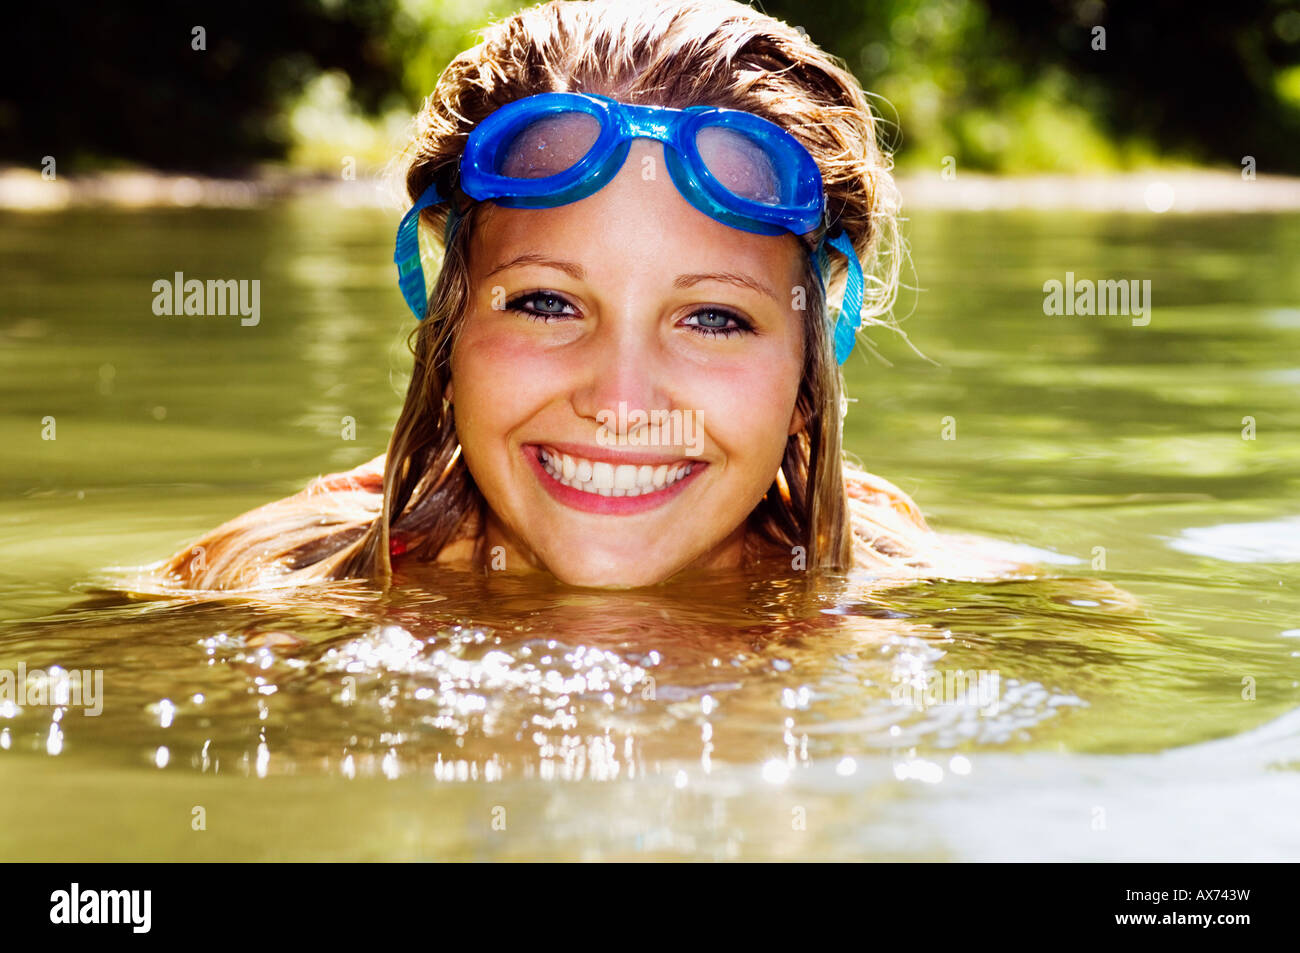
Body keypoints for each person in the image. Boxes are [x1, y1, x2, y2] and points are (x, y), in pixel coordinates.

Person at [148, 0, 1023, 593]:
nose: (619, 403)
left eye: (714, 318)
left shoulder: (909, 607)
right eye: (545, 303)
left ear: (810, 366)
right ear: (448, 325)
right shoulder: (273, 591)